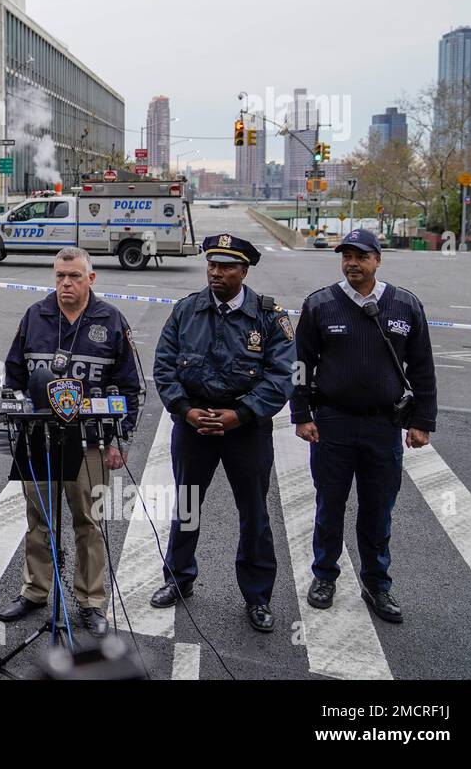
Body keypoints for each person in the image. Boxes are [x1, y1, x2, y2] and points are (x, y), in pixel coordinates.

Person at [290, 229, 437, 624]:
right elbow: (300, 364)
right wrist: (301, 414)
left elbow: (422, 367)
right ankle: (325, 576)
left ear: (378, 260)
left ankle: (377, 583)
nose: (352, 263)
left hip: (383, 426)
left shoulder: (405, 305)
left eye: (361, 256)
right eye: (346, 256)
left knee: (378, 510)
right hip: (332, 424)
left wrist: (422, 422)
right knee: (329, 506)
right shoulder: (320, 304)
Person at [151, 234, 294, 633]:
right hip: (194, 425)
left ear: (244, 271)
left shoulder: (268, 316)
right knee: (187, 506)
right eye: (212, 265)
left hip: (245, 429)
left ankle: (258, 596)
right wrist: (185, 410)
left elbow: (282, 376)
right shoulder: (186, 310)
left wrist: (240, 414)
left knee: (254, 512)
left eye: (227, 267)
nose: (216, 273)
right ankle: (178, 578)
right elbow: (164, 366)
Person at [0, 248, 141, 637]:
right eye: (60, 276)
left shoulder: (111, 320)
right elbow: (13, 376)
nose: (65, 283)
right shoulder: (35, 316)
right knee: (38, 520)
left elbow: (130, 387)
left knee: (89, 522)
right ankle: (35, 591)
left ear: (90, 279)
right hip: (39, 439)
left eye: (74, 276)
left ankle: (90, 601)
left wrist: (120, 438)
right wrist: (16, 415)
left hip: (89, 441)